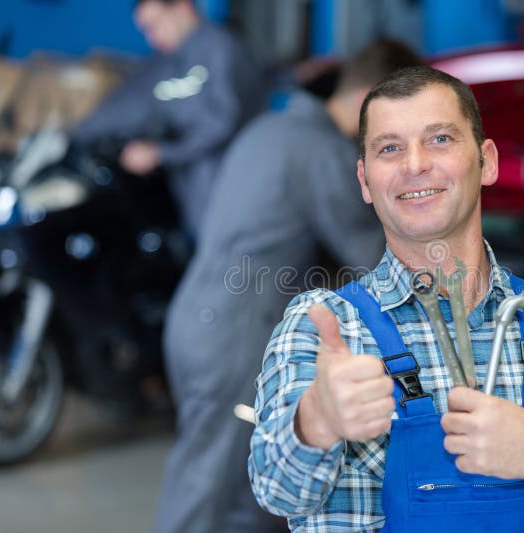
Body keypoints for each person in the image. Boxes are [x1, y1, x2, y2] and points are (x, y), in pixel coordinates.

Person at [248, 66, 524, 532]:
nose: (414, 164)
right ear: (364, 181)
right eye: (390, 148)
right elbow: (275, 491)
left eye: (440, 139)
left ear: (486, 161)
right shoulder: (323, 326)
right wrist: (317, 420)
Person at [156, 40, 423, 533]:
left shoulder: (272, 128)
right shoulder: (317, 149)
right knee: (203, 493)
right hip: (234, 333)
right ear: (370, 98)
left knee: (248, 493)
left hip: (201, 316)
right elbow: (370, 255)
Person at [72, 0, 264, 240]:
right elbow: (128, 106)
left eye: (156, 24)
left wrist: (161, 153)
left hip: (241, 197)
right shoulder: (163, 64)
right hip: (196, 207)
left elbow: (223, 122)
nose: (152, 37)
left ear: (182, 7)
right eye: (146, 30)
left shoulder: (222, 48)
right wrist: (76, 133)